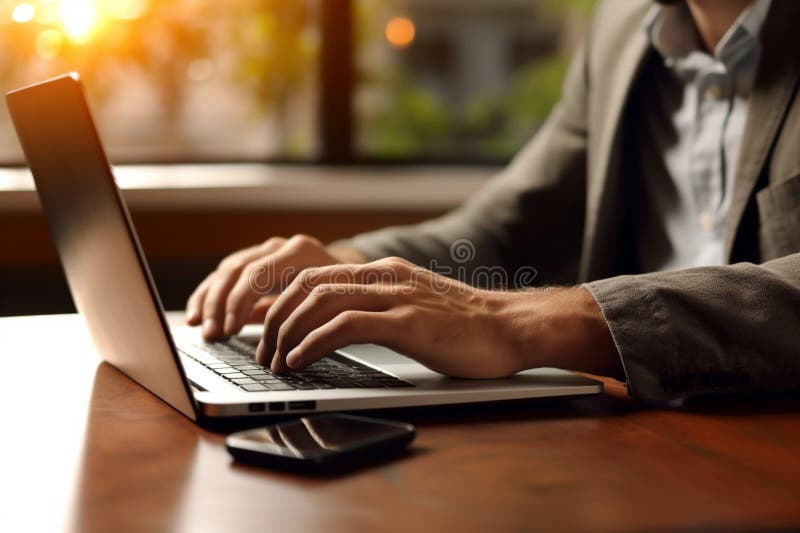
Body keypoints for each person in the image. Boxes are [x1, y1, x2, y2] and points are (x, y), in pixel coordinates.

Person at [185, 0, 800, 405]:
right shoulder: (623, 26)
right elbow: (504, 228)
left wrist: (524, 323)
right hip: (638, 438)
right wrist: (346, 269)